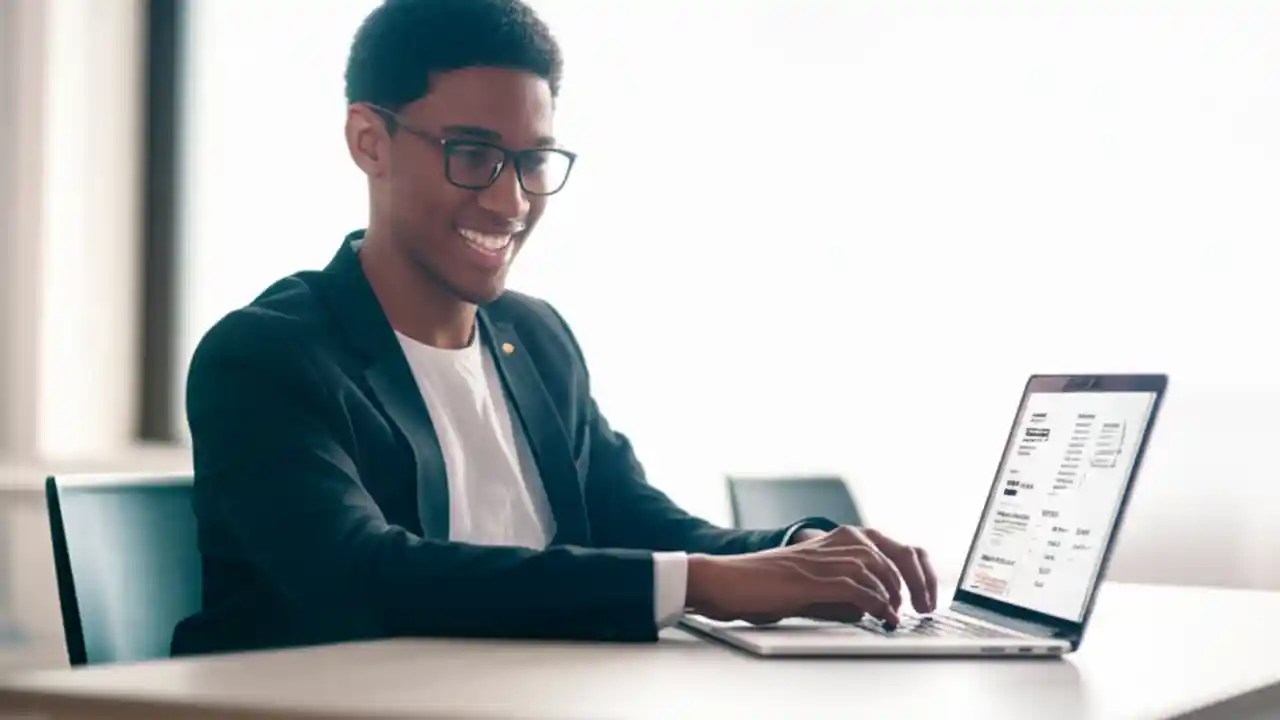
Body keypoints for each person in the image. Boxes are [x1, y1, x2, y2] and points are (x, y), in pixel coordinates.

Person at [171, 0, 937, 657]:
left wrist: (797, 552)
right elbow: (365, 577)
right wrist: (708, 583)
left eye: (533, 161)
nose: (510, 203)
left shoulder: (534, 339)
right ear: (369, 141)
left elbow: (636, 523)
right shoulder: (267, 358)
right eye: (473, 154)